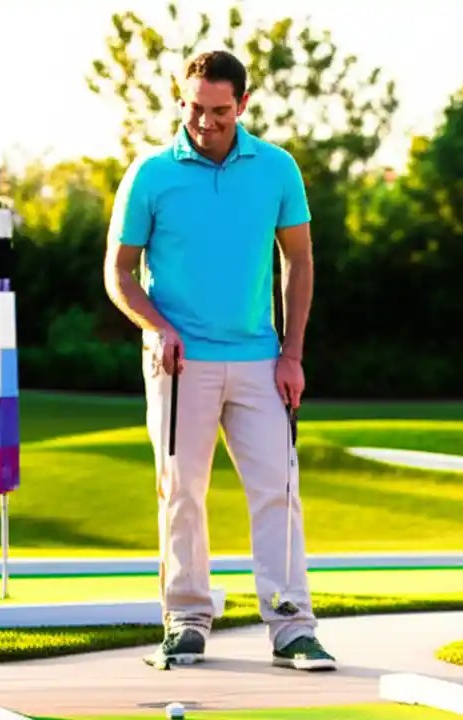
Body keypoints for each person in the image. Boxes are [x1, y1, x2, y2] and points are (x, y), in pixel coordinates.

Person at [104, 49, 335, 671]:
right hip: (181, 364)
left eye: (220, 111)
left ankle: (293, 628)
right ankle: (185, 620)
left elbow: (300, 260)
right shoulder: (150, 174)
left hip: (261, 359)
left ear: (244, 105)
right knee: (182, 492)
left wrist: (292, 353)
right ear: (182, 101)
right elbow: (119, 272)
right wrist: (157, 327)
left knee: (279, 491)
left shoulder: (277, 169)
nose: (206, 122)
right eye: (196, 109)